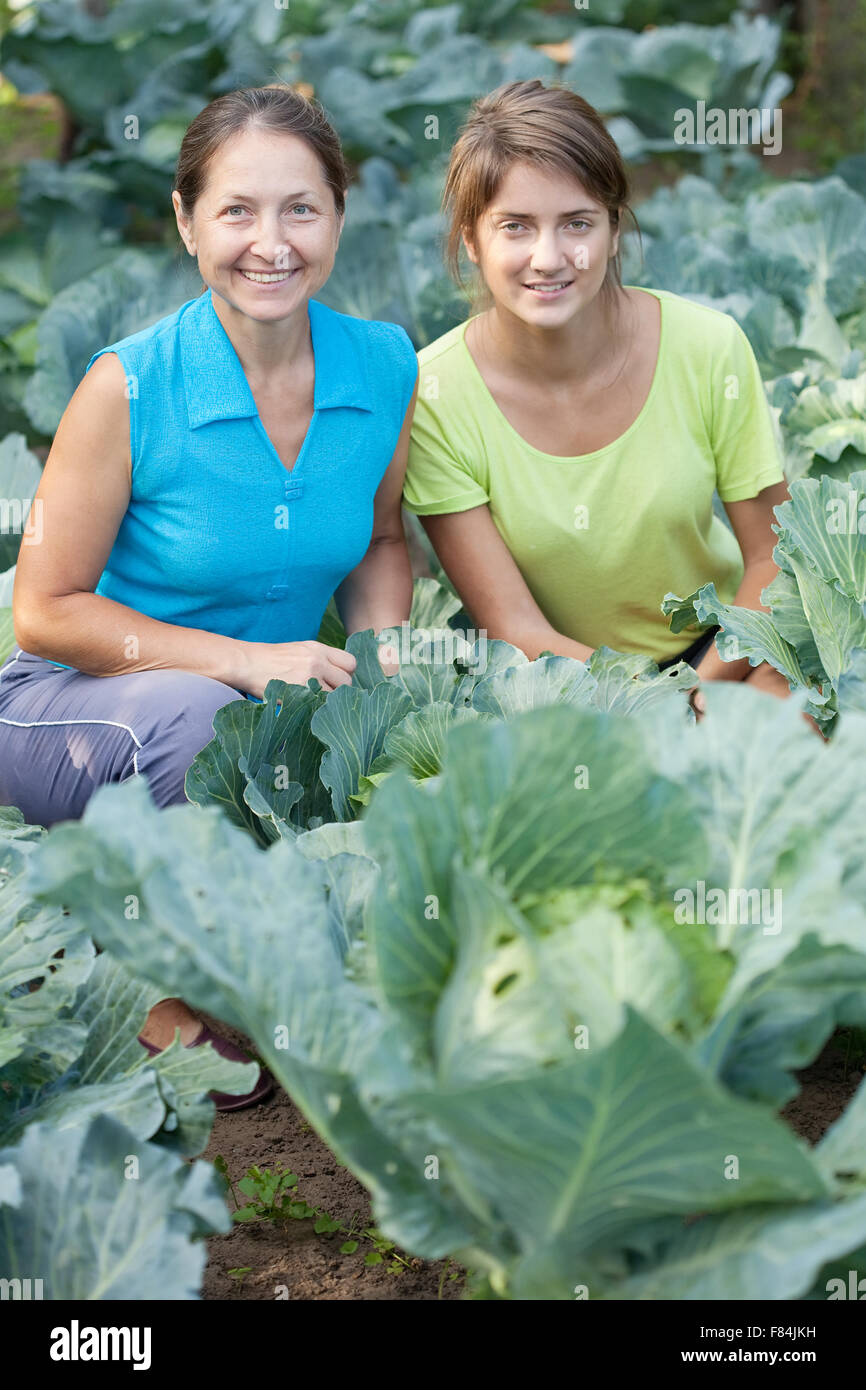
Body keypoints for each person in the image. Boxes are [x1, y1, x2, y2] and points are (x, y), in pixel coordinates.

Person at [0, 84, 418, 1106]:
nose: (269, 243)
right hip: (65, 710)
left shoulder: (384, 364)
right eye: (236, 210)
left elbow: (377, 539)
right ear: (186, 220)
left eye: (299, 209)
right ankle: (122, 963)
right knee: (196, 718)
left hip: (251, 721)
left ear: (337, 218)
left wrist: (384, 652)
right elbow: (47, 610)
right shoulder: (130, 386)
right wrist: (241, 661)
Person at [403, 80, 792, 718]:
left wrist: (702, 690)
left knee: (787, 737)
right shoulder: (437, 394)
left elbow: (770, 559)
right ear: (472, 241)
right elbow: (514, 630)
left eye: (577, 223)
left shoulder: (707, 346)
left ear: (614, 229)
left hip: (727, 650)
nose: (549, 257)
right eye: (516, 227)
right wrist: (652, 706)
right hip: (562, 685)